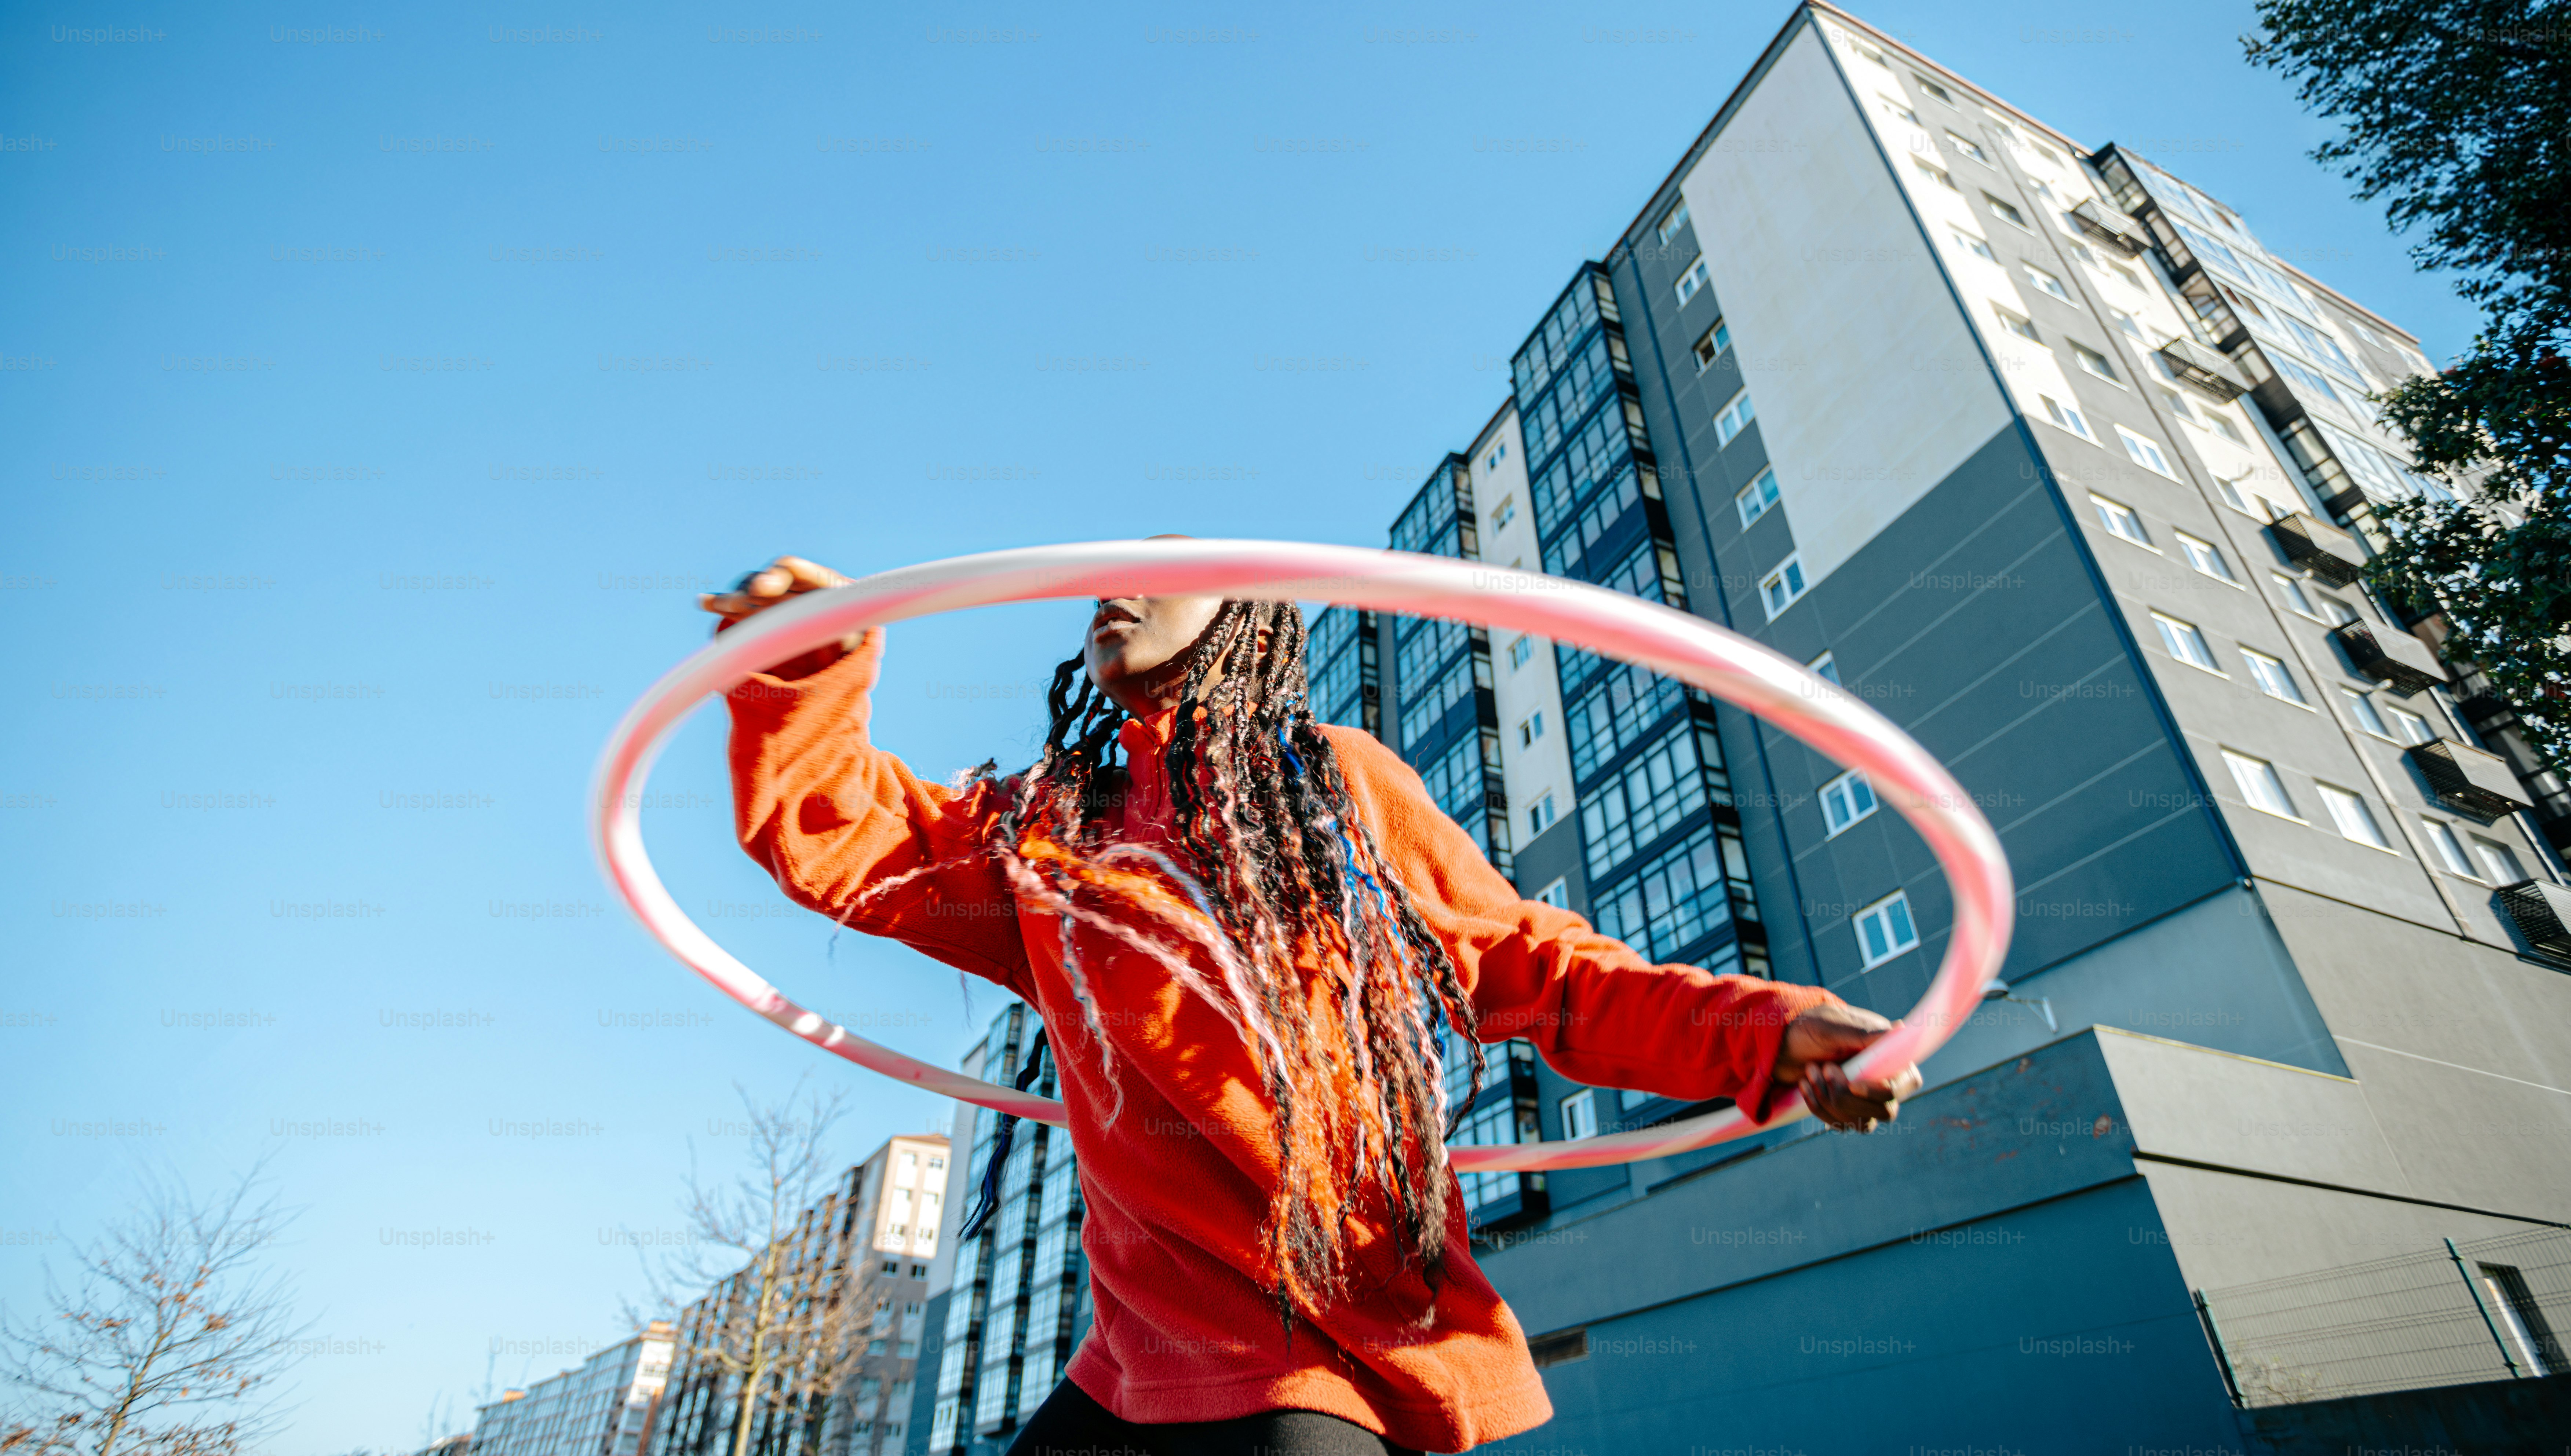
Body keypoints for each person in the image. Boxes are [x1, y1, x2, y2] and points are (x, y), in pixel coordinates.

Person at [700, 552, 1923, 1456]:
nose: (1110, 591)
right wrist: (806, 660)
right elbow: (849, 835)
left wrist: (1768, 1031)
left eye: (1154, 572)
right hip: (1133, 1359)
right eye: (1099, 581)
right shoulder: (1038, 831)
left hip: (1321, 1354)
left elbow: (1538, 970)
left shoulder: (1335, 790)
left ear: (1243, 604)